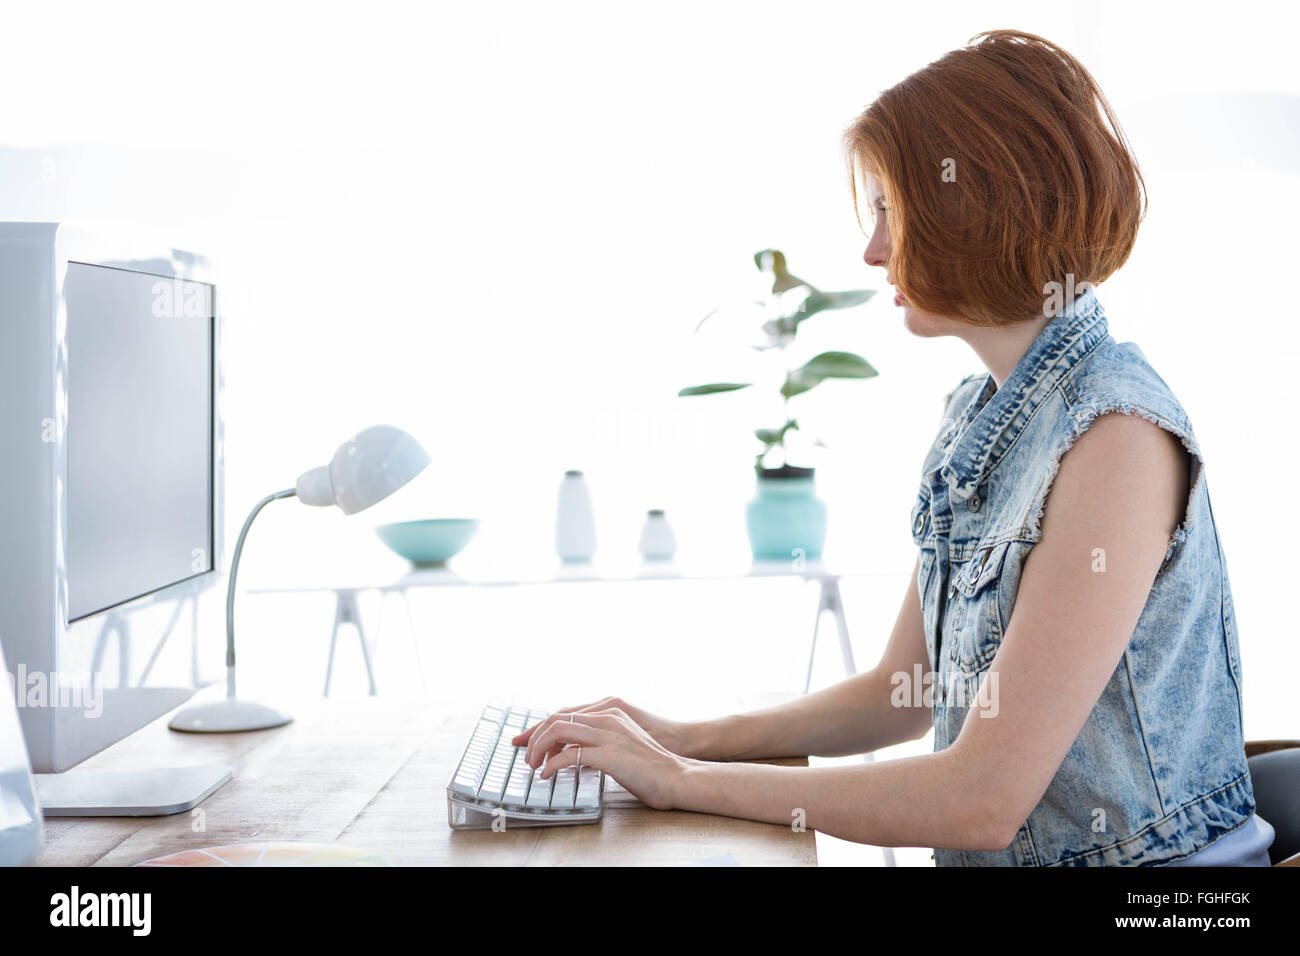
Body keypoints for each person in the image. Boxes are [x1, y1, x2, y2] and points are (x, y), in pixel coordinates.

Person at [514, 29, 1269, 866]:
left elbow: (980, 800)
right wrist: (682, 739)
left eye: (890, 211)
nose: (873, 250)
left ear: (978, 207)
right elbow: (896, 696)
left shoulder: (1117, 437)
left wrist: (678, 780)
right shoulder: (976, 418)